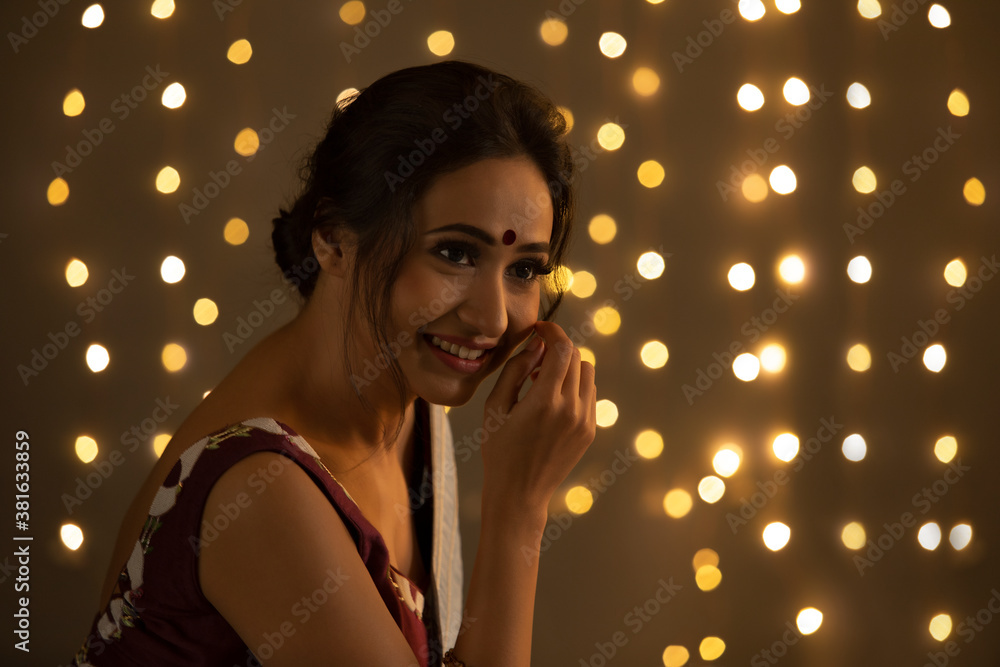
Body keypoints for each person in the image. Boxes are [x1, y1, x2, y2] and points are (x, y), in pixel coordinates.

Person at [68, 59, 596, 666]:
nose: (495, 319)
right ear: (334, 240)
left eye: (524, 269)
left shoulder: (409, 395)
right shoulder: (261, 490)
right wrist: (519, 508)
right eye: (454, 253)